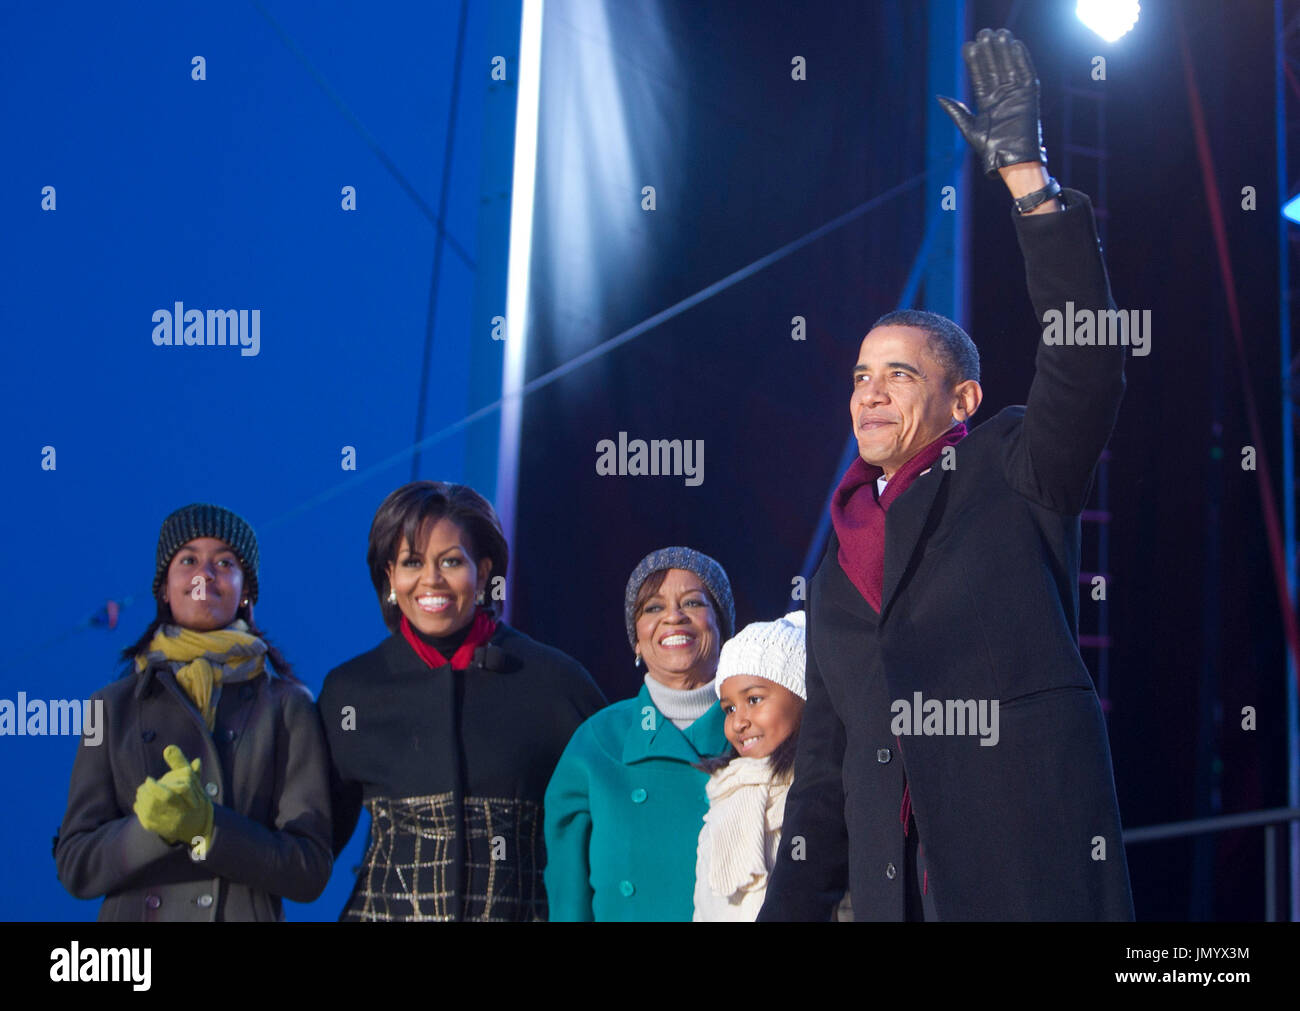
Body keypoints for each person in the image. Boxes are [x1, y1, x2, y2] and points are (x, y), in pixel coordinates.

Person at [758, 29, 1134, 921]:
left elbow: (1087, 361)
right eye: (858, 375)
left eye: (899, 373)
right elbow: (824, 783)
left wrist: (1028, 184)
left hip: (1027, 876)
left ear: (962, 397)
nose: (871, 393)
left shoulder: (1009, 465)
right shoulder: (835, 571)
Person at [320, 481, 605, 921]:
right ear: (390, 577)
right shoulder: (350, 692)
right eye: (411, 562)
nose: (431, 579)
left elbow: (614, 824)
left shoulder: (554, 681)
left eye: (451, 561)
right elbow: (308, 848)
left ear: (484, 571)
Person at [55, 503, 333, 921]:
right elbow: (75, 865)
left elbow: (309, 870)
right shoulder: (108, 708)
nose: (205, 573)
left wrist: (209, 828)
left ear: (246, 593)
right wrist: (149, 831)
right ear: (164, 588)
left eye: (225, 562)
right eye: (188, 560)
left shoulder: (289, 706)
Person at [544, 547, 733, 920]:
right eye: (653, 608)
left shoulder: (759, 737)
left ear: (722, 626)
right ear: (636, 640)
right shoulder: (596, 742)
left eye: (692, 603)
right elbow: (568, 901)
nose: (674, 617)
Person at [693, 611, 807, 922]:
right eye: (729, 708)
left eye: (754, 700)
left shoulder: (822, 797)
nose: (739, 721)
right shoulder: (724, 794)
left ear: (803, 696)